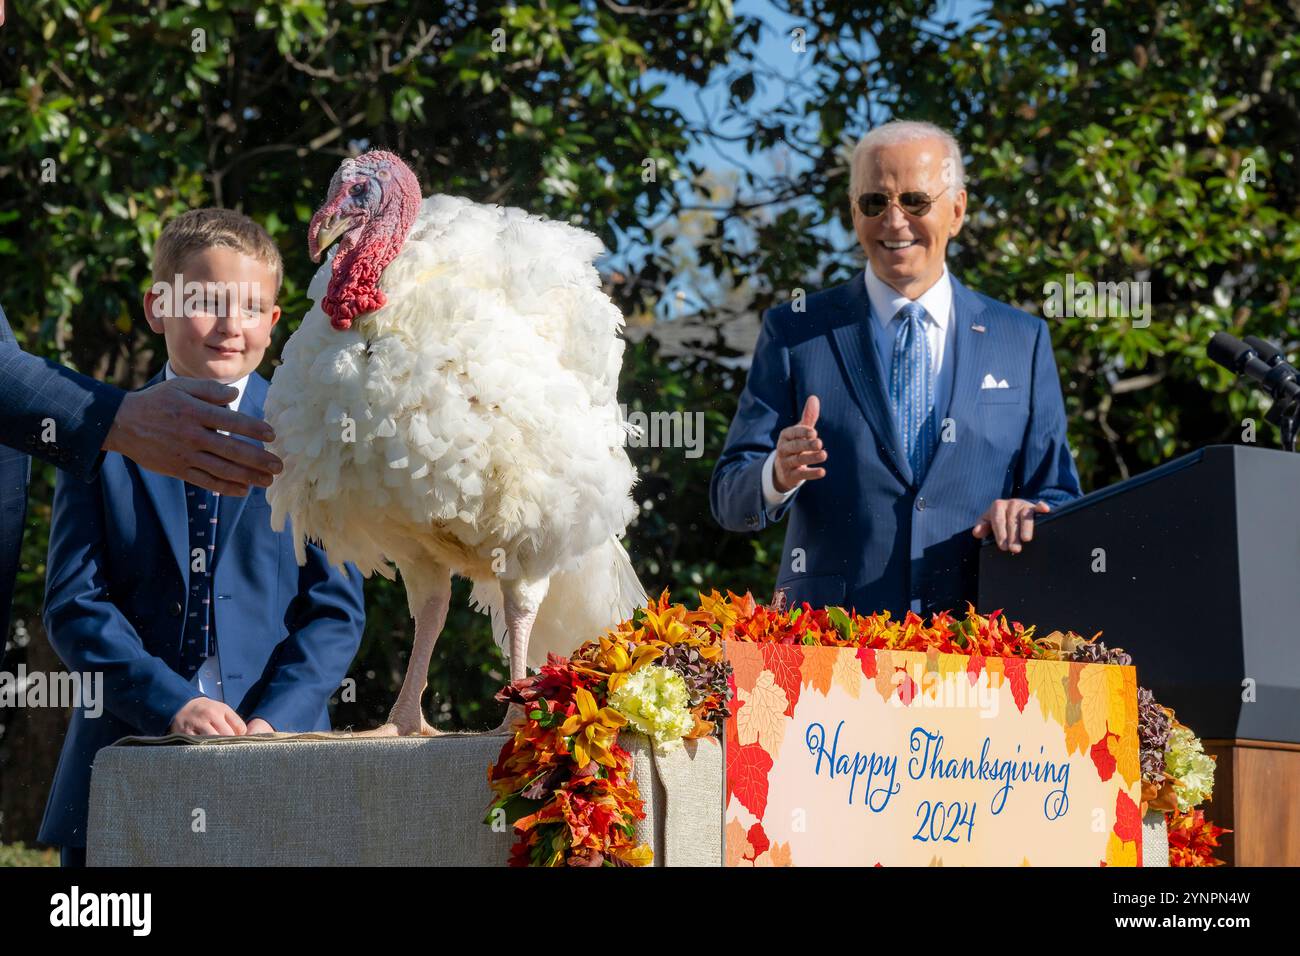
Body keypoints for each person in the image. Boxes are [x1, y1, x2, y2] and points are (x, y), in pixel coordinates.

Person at [38, 209, 365, 866]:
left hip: (279, 763)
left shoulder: (310, 439)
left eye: (250, 307)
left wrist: (279, 720)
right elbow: (76, 606)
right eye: (206, 302)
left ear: (274, 324)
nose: (229, 324)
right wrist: (169, 703)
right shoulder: (102, 437)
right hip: (128, 759)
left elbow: (335, 610)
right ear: (157, 307)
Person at [710, 120, 1081, 617]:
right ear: (853, 212)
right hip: (830, 647)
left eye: (916, 201)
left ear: (957, 210)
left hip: (981, 645)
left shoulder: (1022, 340)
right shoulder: (796, 332)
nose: (895, 220)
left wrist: (1027, 511)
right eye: (874, 203)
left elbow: (1057, 493)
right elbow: (730, 498)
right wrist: (776, 474)